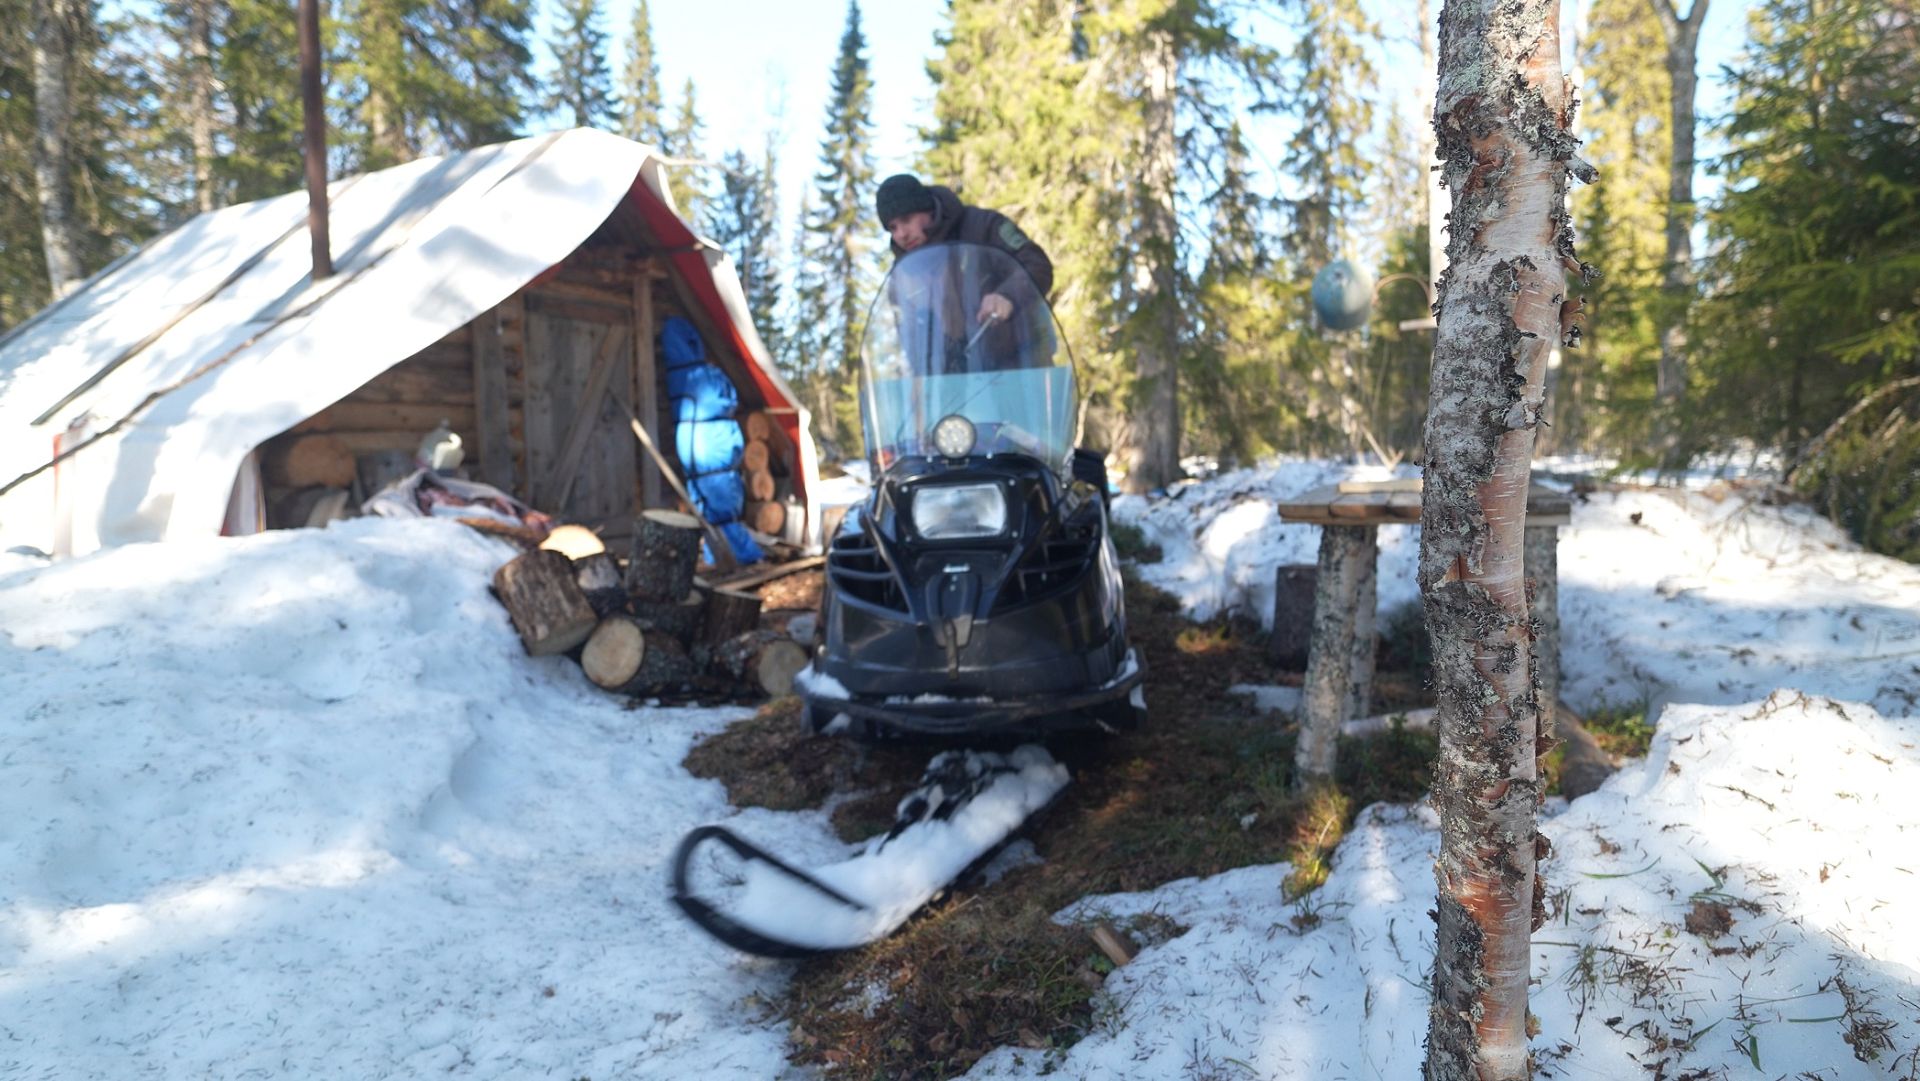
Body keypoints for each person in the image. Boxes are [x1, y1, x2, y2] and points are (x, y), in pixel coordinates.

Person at [874, 174, 1054, 325]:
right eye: (892, 227)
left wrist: (1007, 296)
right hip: (953, 366)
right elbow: (908, 334)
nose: (902, 234)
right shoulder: (903, 276)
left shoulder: (982, 226)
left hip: (1021, 360)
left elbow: (1037, 264)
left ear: (927, 209)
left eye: (906, 219)